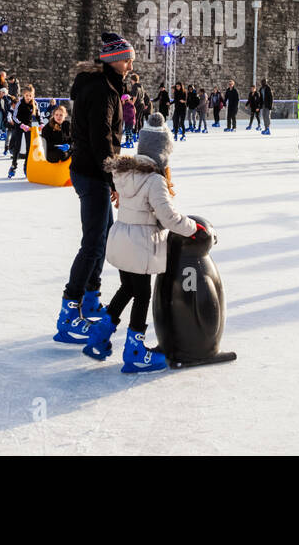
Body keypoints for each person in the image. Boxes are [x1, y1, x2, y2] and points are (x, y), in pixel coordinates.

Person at [81, 112, 201, 372]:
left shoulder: (124, 173)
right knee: (142, 294)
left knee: (128, 288)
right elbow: (168, 218)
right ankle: (135, 351)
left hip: (122, 240)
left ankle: (100, 334)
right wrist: (193, 228)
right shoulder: (155, 180)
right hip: (141, 246)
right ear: (163, 154)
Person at [55, 33, 134, 345]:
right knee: (92, 244)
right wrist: (113, 178)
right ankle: (68, 312)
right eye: (127, 59)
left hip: (92, 171)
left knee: (102, 239)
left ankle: (90, 299)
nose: (130, 65)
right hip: (93, 172)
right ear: (113, 60)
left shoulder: (106, 86)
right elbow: (102, 138)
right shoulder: (103, 90)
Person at [6, 84, 41, 178]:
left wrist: (41, 123)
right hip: (19, 126)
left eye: (30, 95)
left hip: (28, 127)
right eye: (26, 95)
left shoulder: (34, 103)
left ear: (32, 95)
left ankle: (26, 165)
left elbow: (38, 115)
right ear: (23, 95)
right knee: (17, 146)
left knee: (29, 147)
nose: (28, 97)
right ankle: (13, 166)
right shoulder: (19, 103)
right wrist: (21, 124)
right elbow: (14, 116)